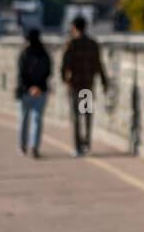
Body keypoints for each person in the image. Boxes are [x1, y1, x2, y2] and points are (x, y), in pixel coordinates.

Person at [60, 16, 108, 156]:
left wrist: (64, 79)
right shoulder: (92, 44)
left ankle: (78, 146)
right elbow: (99, 64)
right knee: (86, 114)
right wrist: (104, 82)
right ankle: (87, 142)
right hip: (87, 85)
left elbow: (65, 65)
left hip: (75, 85)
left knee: (76, 117)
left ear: (74, 27)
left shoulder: (71, 43)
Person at [16, 28, 51, 158]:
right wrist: (38, 87)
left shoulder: (24, 54)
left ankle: (25, 147)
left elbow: (21, 74)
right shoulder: (44, 54)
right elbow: (48, 72)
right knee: (36, 119)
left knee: (25, 119)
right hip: (39, 91)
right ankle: (33, 147)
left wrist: (31, 87)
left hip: (27, 91)